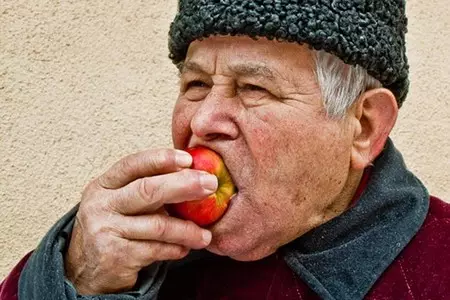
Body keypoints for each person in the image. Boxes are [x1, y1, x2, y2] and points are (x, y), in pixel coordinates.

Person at [1, 0, 449, 299]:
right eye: (196, 84)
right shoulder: (122, 252)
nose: (201, 121)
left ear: (363, 127)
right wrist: (75, 278)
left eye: (253, 88)